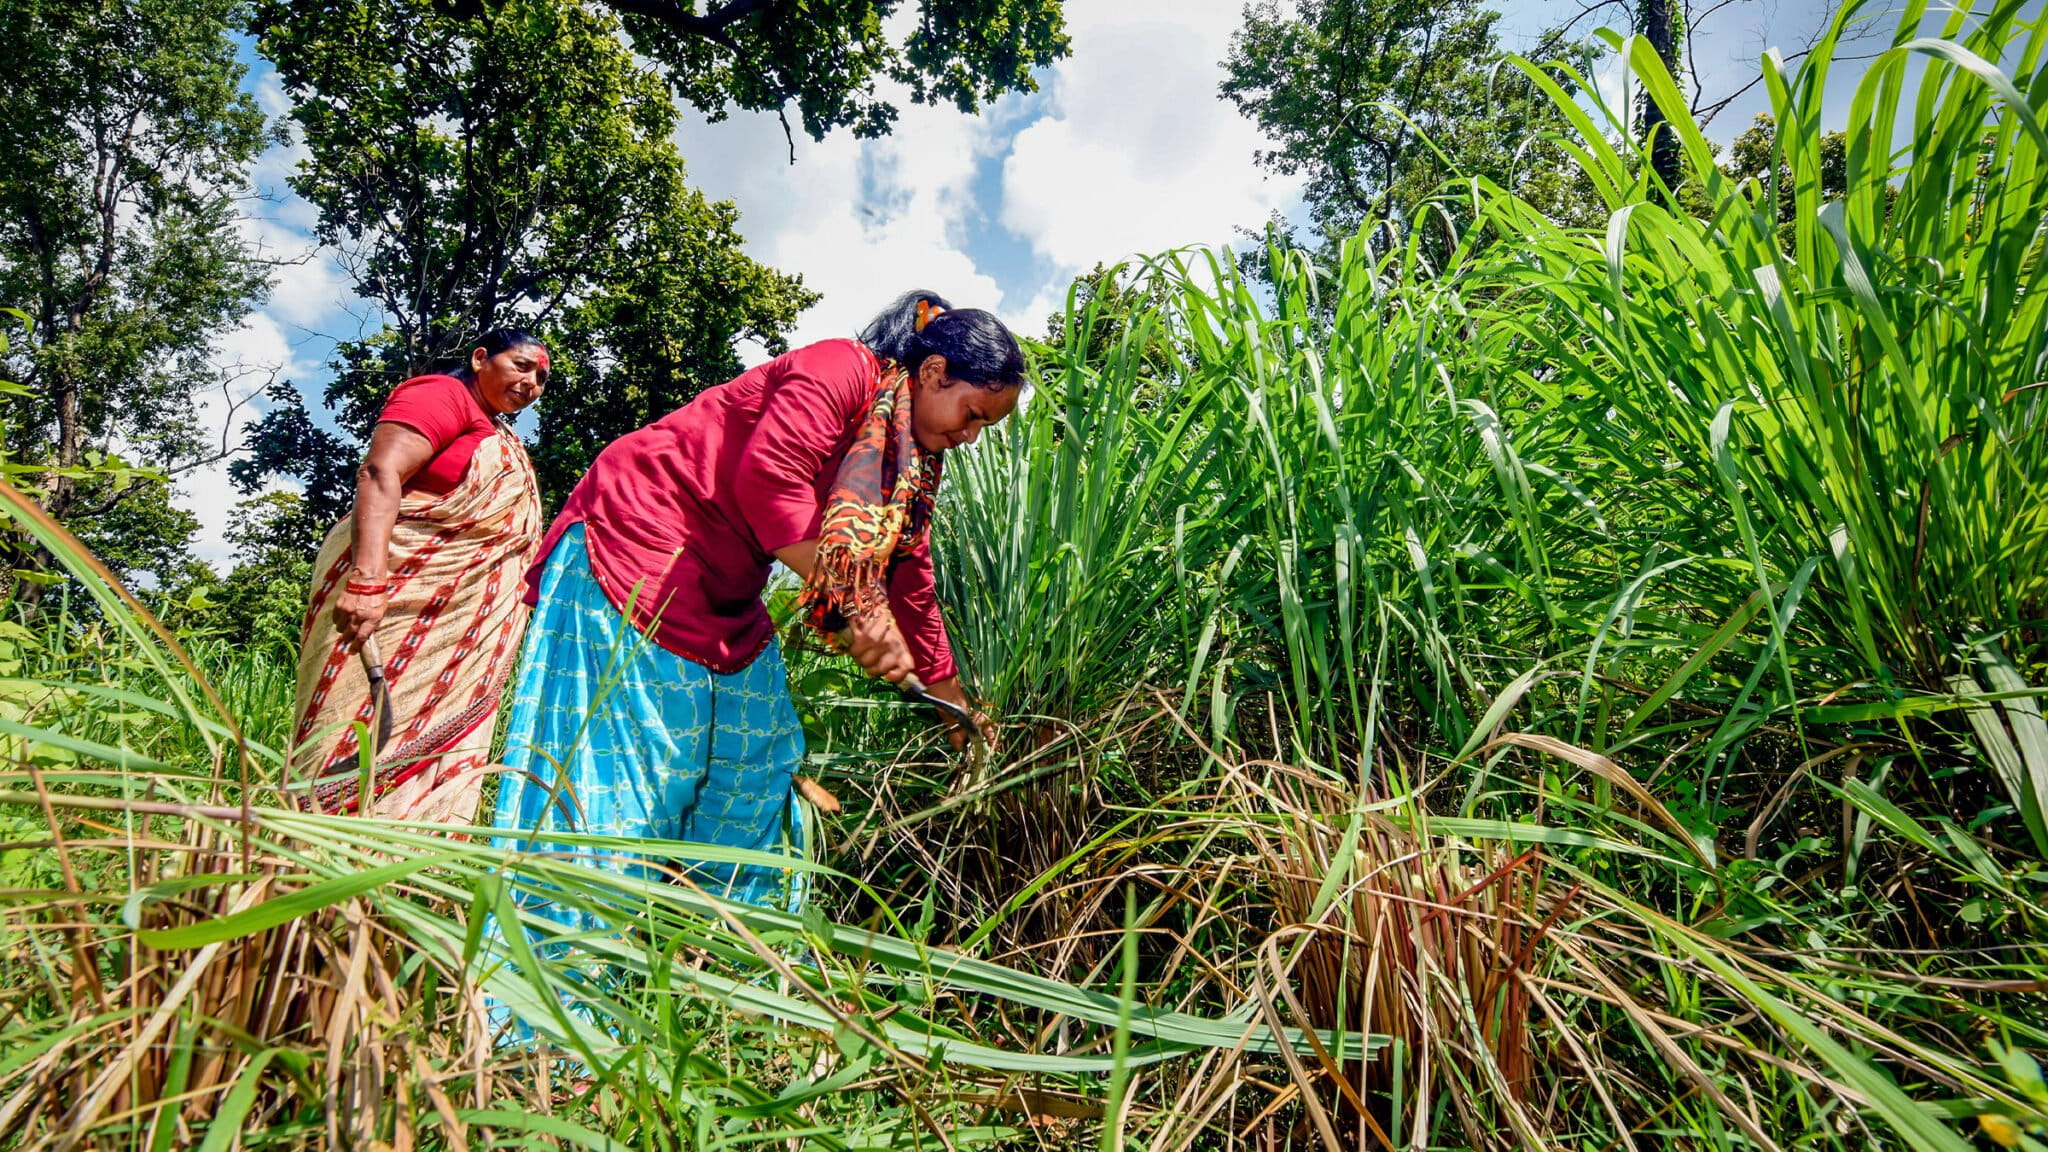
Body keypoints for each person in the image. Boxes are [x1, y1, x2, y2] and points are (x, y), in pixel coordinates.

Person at [491, 291, 1023, 916]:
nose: (969, 437)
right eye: (972, 414)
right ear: (933, 374)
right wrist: (855, 609)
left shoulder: (908, 467)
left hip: (727, 585)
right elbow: (770, 478)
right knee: (618, 777)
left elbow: (909, 575)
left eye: (985, 426)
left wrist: (955, 705)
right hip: (641, 541)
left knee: (758, 756)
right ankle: (559, 970)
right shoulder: (841, 369)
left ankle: (719, 956)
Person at [291, 329, 549, 820]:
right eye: (521, 366)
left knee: (431, 739)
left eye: (541, 378)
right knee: (350, 724)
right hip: (392, 587)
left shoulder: (499, 433)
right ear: (479, 359)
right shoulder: (441, 393)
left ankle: (397, 874)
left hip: (452, 618)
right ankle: (310, 856)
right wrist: (368, 582)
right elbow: (379, 474)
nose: (531, 382)